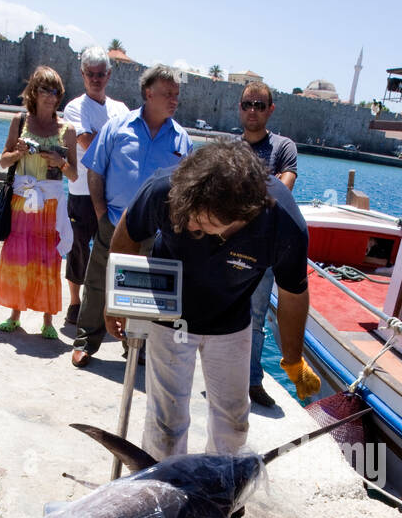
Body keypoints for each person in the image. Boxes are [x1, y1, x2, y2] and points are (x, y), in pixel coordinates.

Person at [103, 142, 321, 492]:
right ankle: (160, 492)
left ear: (243, 217)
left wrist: (293, 360)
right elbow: (128, 232)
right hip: (168, 312)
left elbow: (294, 294)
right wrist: (112, 301)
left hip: (231, 320)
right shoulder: (167, 188)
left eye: (202, 225)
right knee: (167, 420)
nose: (190, 226)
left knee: (232, 422)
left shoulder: (282, 222)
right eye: (188, 218)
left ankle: (220, 494)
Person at [72, 63, 191, 368]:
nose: (174, 100)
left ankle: (134, 348)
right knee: (99, 283)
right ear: (148, 93)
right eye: (168, 93)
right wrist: (100, 214)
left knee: (143, 292)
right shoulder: (117, 127)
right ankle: (86, 341)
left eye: (177, 94)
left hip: (156, 233)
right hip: (113, 221)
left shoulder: (182, 140)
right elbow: (95, 170)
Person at [0, 66, 77, 338]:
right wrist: (16, 153)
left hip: (50, 205)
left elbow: (74, 174)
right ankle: (15, 314)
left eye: (56, 92)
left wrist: (61, 162)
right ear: (34, 92)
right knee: (19, 256)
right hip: (22, 201)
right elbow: (3, 161)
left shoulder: (68, 130)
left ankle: (48, 320)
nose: (51, 97)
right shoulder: (20, 121)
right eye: (45, 90)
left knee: (48, 259)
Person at [238, 81, 298, 408]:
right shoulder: (230, 149)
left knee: (255, 319)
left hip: (263, 253)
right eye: (247, 104)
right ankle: (220, 374)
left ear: (270, 110)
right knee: (218, 312)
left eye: (259, 105)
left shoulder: (284, 148)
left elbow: (282, 190)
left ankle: (251, 381)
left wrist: (245, 192)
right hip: (225, 248)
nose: (252, 111)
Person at [60, 47, 127, 329]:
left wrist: (106, 141)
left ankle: (104, 307)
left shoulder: (120, 109)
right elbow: (88, 143)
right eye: (90, 74)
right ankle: (75, 302)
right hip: (80, 191)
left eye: (101, 74)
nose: (96, 79)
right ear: (82, 74)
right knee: (79, 247)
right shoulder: (74, 107)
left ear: (108, 75)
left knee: (113, 250)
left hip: (113, 194)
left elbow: (113, 145)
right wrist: (112, 142)